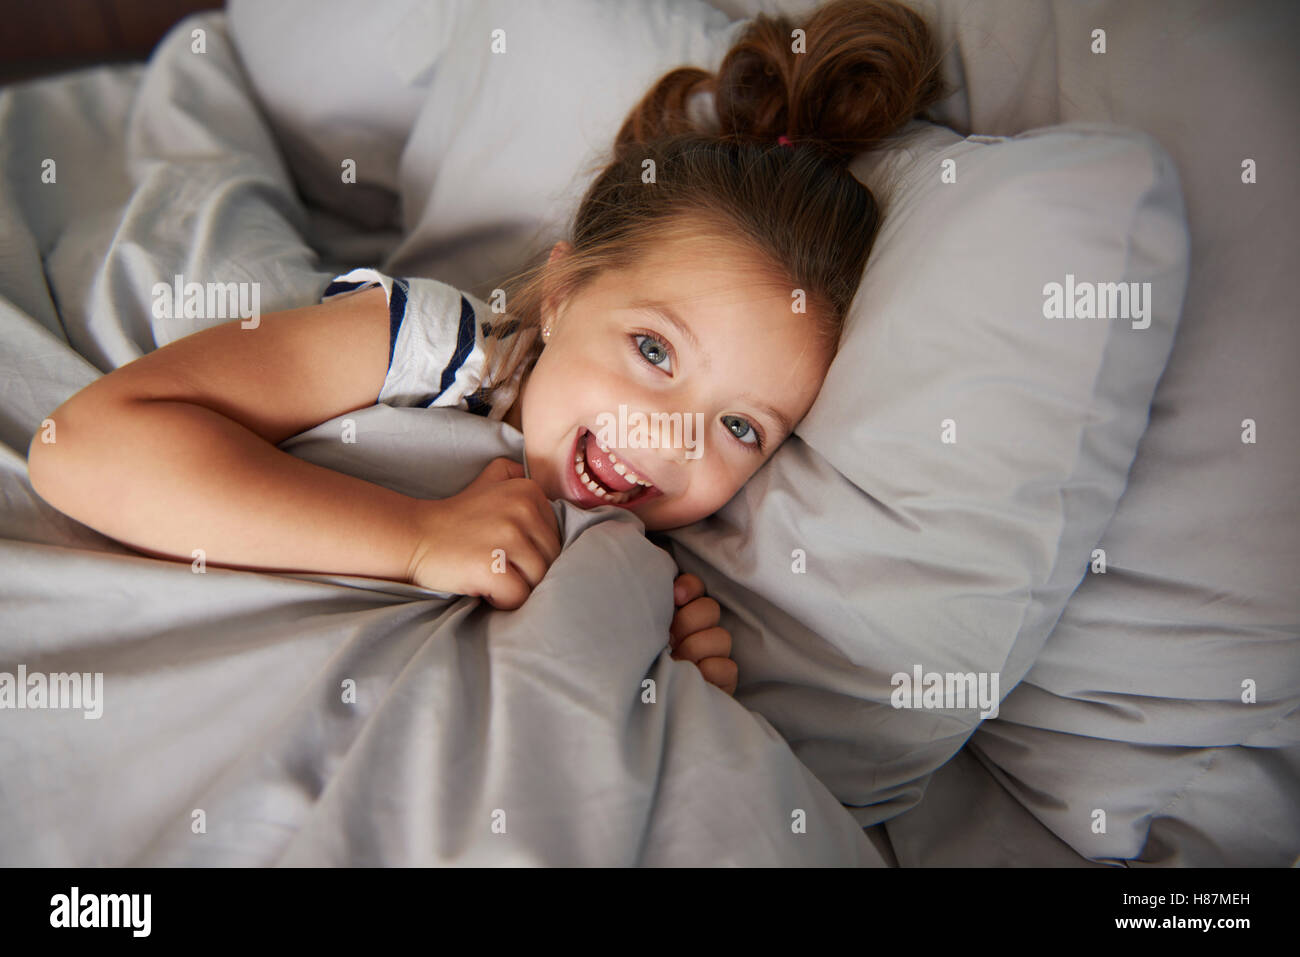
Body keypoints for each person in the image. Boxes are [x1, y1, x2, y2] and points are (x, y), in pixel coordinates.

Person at [27, 0, 948, 697]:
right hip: (190, 297)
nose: (669, 438)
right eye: (655, 353)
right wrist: (417, 534)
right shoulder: (435, 344)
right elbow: (85, 448)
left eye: (742, 425)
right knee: (206, 202)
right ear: (564, 292)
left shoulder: (652, 537)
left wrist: (663, 672)